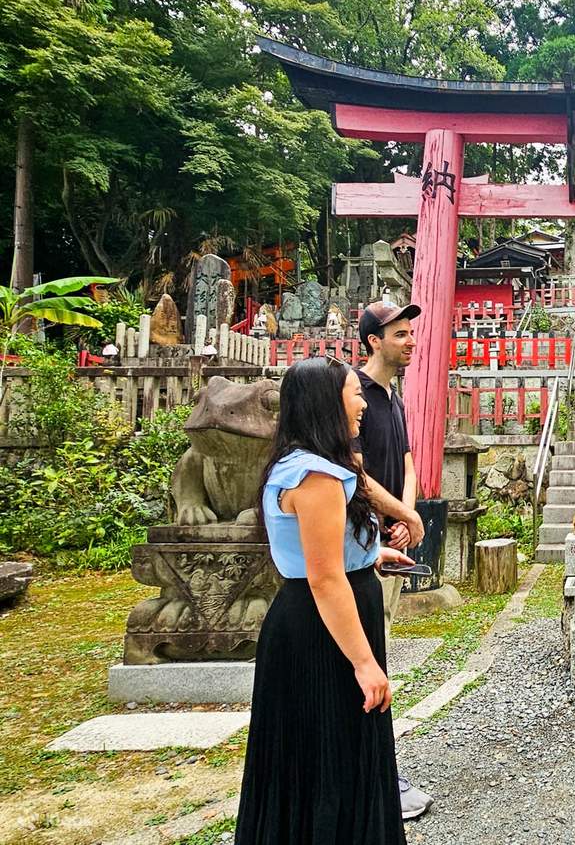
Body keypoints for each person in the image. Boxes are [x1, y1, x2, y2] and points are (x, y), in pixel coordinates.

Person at [236, 356, 414, 845]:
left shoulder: (307, 463)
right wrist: (364, 662)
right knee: (328, 749)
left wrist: (370, 553)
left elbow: (318, 549)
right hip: (322, 630)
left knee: (324, 749)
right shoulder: (316, 477)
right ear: (326, 403)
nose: (362, 403)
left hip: (322, 617)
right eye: (355, 393)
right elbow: (324, 578)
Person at [355, 300, 433, 820]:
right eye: (400, 334)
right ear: (372, 341)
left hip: (391, 542)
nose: (409, 341)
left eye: (410, 332)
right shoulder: (351, 395)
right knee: (366, 659)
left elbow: (405, 458)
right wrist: (402, 513)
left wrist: (406, 515)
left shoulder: (393, 397)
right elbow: (352, 472)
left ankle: (378, 767)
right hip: (360, 544)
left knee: (380, 648)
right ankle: (376, 777)